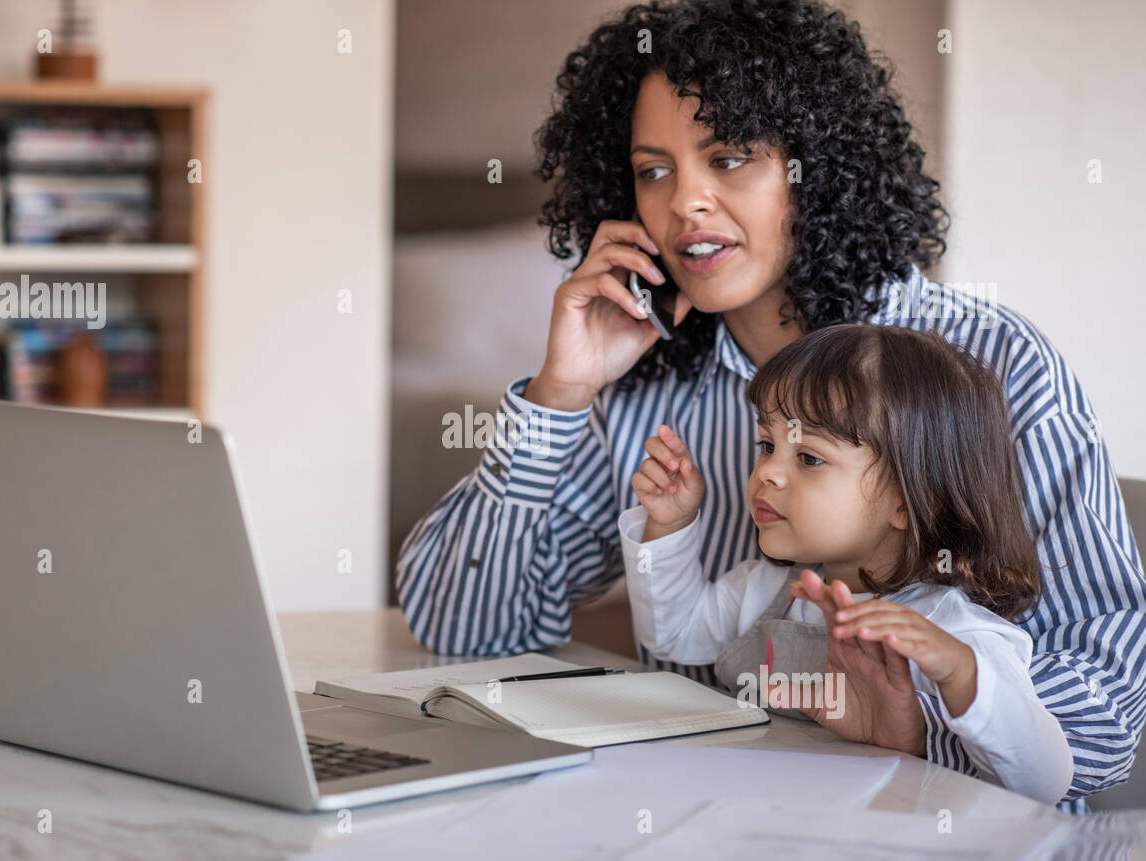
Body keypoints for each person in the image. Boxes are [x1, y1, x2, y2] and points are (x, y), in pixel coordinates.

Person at [395, 0, 1145, 814]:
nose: (685, 203)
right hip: (704, 823)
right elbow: (463, 629)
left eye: (728, 158)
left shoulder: (996, 366)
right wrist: (560, 393)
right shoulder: (652, 383)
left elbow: (1107, 708)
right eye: (654, 170)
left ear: (814, 166)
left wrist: (910, 729)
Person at [620, 323, 1074, 805]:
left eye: (810, 458)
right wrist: (669, 525)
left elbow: (1044, 783)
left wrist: (962, 673)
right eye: (767, 446)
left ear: (909, 500)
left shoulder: (950, 633)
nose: (768, 472)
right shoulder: (768, 589)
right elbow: (672, 632)